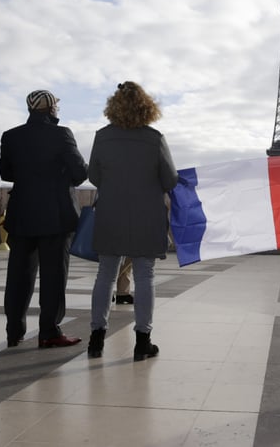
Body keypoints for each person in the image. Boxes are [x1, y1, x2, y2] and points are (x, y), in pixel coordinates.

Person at [87, 81, 178, 360]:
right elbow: (169, 179)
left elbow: (93, 176)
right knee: (145, 276)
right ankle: (142, 341)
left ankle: (96, 339)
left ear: (113, 108)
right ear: (146, 108)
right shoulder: (154, 138)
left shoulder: (102, 137)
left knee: (105, 275)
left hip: (111, 212)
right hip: (146, 215)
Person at [0, 90, 88, 348]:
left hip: (22, 214)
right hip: (56, 216)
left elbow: (6, 172)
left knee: (18, 275)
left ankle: (14, 331)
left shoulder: (11, 136)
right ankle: (49, 331)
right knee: (53, 276)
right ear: (51, 109)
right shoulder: (61, 134)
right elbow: (80, 172)